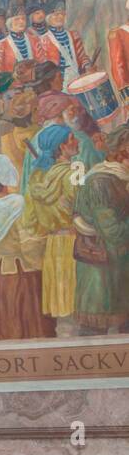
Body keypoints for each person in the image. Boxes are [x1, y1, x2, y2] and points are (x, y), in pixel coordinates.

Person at [0, 154, 51, 339]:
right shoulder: (19, 203)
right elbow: (28, 243)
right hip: (22, 274)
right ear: (6, 176)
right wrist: (40, 264)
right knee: (26, 321)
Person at [23, 124, 81, 332]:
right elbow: (84, 207)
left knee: (62, 304)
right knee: (78, 300)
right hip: (77, 243)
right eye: (72, 139)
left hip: (54, 245)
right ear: (62, 147)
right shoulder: (74, 172)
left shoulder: (36, 179)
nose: (77, 142)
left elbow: (29, 221)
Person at [72, 125, 129, 334]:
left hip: (119, 270)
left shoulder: (120, 177)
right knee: (95, 333)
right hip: (101, 271)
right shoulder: (100, 182)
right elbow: (113, 232)